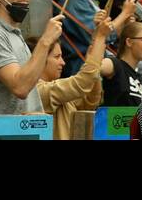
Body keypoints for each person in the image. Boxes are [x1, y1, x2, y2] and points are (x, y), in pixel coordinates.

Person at [29, 9, 111, 140]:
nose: (63, 63)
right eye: (57, 57)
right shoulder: (37, 91)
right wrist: (100, 38)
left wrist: (92, 59)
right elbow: (82, 82)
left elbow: (90, 101)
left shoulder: (59, 91)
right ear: (41, 58)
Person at [54, 0, 138, 77]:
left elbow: (109, 34)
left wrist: (124, 23)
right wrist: (124, 14)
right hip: (81, 69)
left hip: (93, 67)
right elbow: (99, 35)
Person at [101, 20, 142, 107]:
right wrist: (99, 36)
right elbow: (92, 68)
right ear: (129, 42)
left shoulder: (139, 77)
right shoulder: (114, 64)